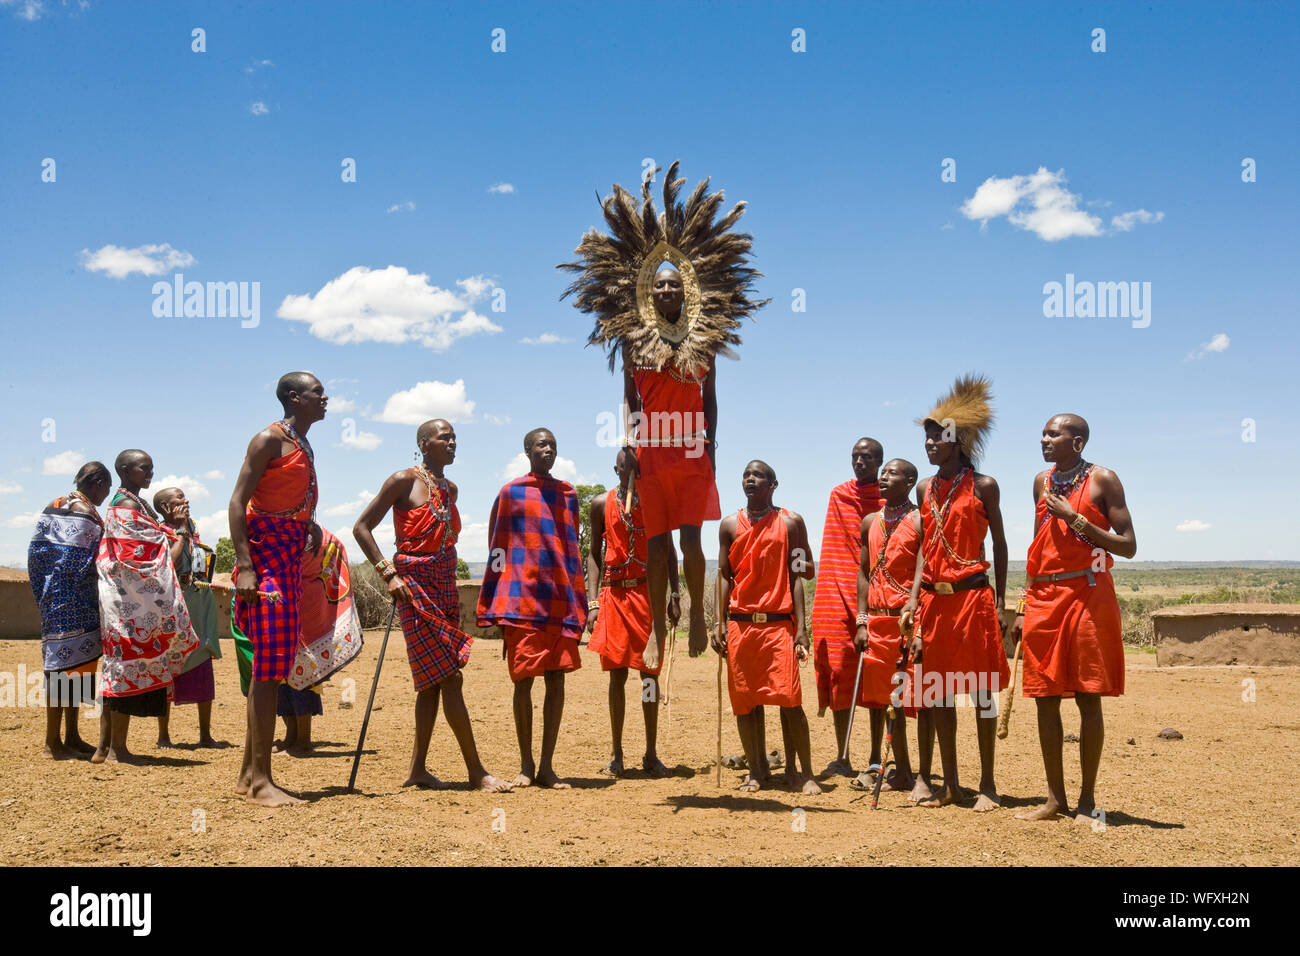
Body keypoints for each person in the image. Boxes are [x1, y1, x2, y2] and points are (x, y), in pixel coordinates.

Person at [562, 160, 768, 666]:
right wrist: (631, 441)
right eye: (659, 286)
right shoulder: (635, 344)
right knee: (656, 543)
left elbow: (711, 399)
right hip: (652, 445)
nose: (667, 291)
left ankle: (698, 610)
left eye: (675, 285)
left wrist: (713, 447)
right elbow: (631, 398)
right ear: (650, 294)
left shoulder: (705, 343)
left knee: (692, 538)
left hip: (692, 445)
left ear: (687, 291)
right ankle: (656, 628)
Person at [353, 419, 510, 792]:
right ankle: (477, 772)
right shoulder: (402, 481)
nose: (453, 442)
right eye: (445, 437)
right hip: (413, 586)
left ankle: (417, 770)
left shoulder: (450, 489)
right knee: (450, 678)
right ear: (424, 444)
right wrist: (388, 574)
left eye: (454, 436)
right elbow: (362, 527)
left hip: (444, 584)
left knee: (431, 683)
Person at [1012, 414, 1136, 823]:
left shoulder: (1103, 480)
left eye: (1053, 433)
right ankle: (1054, 800)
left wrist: (1074, 518)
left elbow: (1129, 545)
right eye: (1043, 432)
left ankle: (1086, 801)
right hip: (1045, 596)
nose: (1044, 439)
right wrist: (1025, 601)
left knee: (1087, 695)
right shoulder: (1040, 482)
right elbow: (1036, 544)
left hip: (1088, 593)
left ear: (1077, 442)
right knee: (1044, 696)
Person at [902, 375, 1010, 811]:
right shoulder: (924, 488)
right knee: (939, 692)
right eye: (927, 438)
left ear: (958, 441)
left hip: (973, 599)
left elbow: (1000, 544)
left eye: (938, 438)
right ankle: (951, 784)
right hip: (933, 601)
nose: (929, 444)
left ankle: (987, 784)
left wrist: (1002, 602)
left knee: (982, 691)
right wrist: (912, 597)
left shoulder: (984, 486)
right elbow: (924, 551)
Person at [228, 371, 325, 806]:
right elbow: (237, 502)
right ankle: (263, 783)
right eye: (317, 393)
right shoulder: (268, 440)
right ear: (293, 398)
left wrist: (311, 527)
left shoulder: (301, 443)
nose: (325, 398)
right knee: (267, 672)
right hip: (265, 564)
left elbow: (288, 503)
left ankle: (250, 774)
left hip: (287, 558)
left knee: (273, 669)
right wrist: (245, 566)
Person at [477, 428, 587, 789]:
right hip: (521, 600)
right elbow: (498, 546)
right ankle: (525, 766)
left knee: (556, 679)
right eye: (542, 445)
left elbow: (572, 550)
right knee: (522, 681)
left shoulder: (567, 494)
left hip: (558, 597)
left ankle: (547, 767)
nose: (549, 450)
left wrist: (580, 599)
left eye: (553, 445)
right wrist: (494, 603)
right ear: (527, 451)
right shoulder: (511, 492)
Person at [715, 460, 820, 795]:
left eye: (758, 475)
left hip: (779, 625)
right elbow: (722, 574)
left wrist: (802, 628)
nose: (750, 479)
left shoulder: (791, 523)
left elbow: (802, 575)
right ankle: (757, 771)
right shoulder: (729, 525)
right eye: (746, 474)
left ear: (774, 485)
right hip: (741, 625)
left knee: (789, 700)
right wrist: (719, 622)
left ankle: (802, 772)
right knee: (746, 701)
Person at [92, 451, 199, 764]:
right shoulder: (125, 505)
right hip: (128, 603)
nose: (150, 472)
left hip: (128, 602)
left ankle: (104, 748)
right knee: (123, 666)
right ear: (126, 470)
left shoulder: (133, 503)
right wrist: (179, 529)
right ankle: (117, 749)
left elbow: (156, 546)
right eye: (144, 468)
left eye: (152, 467)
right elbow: (156, 557)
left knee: (117, 667)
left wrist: (172, 532)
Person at [584, 448, 681, 778]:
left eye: (638, 466)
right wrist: (593, 602)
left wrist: (675, 595)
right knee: (617, 676)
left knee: (649, 675)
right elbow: (593, 555)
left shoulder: (658, 502)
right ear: (616, 468)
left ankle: (651, 754)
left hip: (648, 595)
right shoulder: (601, 504)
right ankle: (616, 753)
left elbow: (669, 552)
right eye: (626, 466)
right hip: (613, 595)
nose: (631, 471)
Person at [851, 458, 928, 796]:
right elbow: (864, 573)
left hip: (907, 619)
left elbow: (921, 573)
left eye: (891, 473)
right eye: (882, 474)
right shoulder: (870, 521)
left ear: (910, 480)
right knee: (883, 699)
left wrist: (914, 610)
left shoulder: (919, 519)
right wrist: (862, 620)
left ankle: (917, 773)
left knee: (912, 699)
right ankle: (894, 769)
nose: (882, 478)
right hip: (877, 621)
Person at [811, 437, 884, 776]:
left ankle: (875, 757)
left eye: (866, 457)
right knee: (841, 676)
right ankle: (842, 756)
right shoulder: (839, 496)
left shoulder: (889, 499)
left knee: (876, 679)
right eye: (855, 456)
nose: (859, 462)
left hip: (882, 596)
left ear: (879, 462)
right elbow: (835, 550)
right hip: (837, 595)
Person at [28, 461, 111, 758]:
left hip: (60, 597)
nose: (106, 495)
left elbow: (36, 556)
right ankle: (53, 742)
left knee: (75, 668)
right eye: (107, 488)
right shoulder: (81, 510)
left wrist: (44, 590)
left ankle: (72, 736)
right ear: (98, 482)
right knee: (60, 669)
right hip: (72, 601)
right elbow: (78, 560)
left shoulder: (56, 504)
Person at [154, 487, 224, 748]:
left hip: (200, 603)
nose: (186, 502)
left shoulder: (193, 528)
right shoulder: (160, 532)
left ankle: (205, 735)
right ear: (165, 508)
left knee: (202, 660)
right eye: (179, 499)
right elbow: (168, 565)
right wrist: (180, 532)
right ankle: (164, 736)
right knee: (169, 667)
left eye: (185, 498)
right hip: (176, 605)